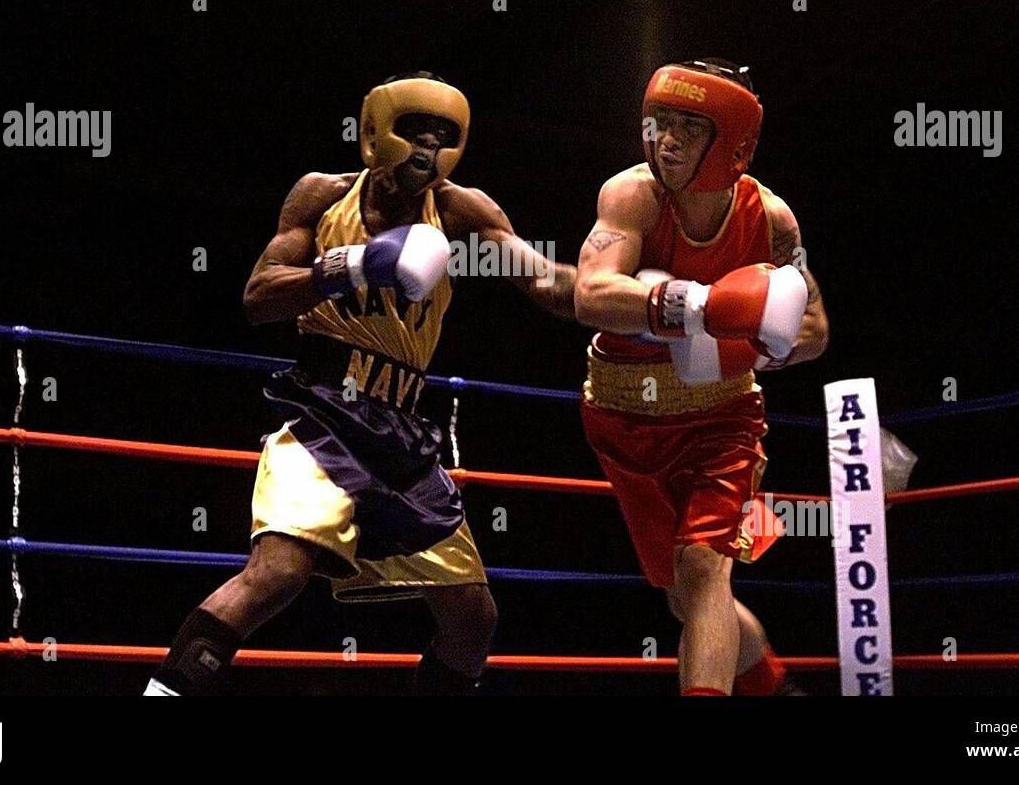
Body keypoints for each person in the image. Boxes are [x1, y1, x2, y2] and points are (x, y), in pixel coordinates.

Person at [146, 72, 575, 695]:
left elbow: (544, 280)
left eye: (443, 135)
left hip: (402, 432)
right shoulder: (322, 196)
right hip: (322, 411)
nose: (428, 147)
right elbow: (259, 297)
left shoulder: (461, 209)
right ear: (377, 132)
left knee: (472, 618)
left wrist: (634, 302)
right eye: (415, 130)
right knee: (276, 575)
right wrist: (349, 266)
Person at [574, 58, 828, 695]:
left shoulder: (771, 219)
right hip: (624, 415)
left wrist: (751, 349)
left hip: (723, 416)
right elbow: (591, 294)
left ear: (733, 145)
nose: (667, 140)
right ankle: (775, 686)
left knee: (703, 564)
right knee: (681, 593)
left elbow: (814, 328)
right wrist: (700, 308)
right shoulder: (631, 195)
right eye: (661, 122)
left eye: (691, 128)